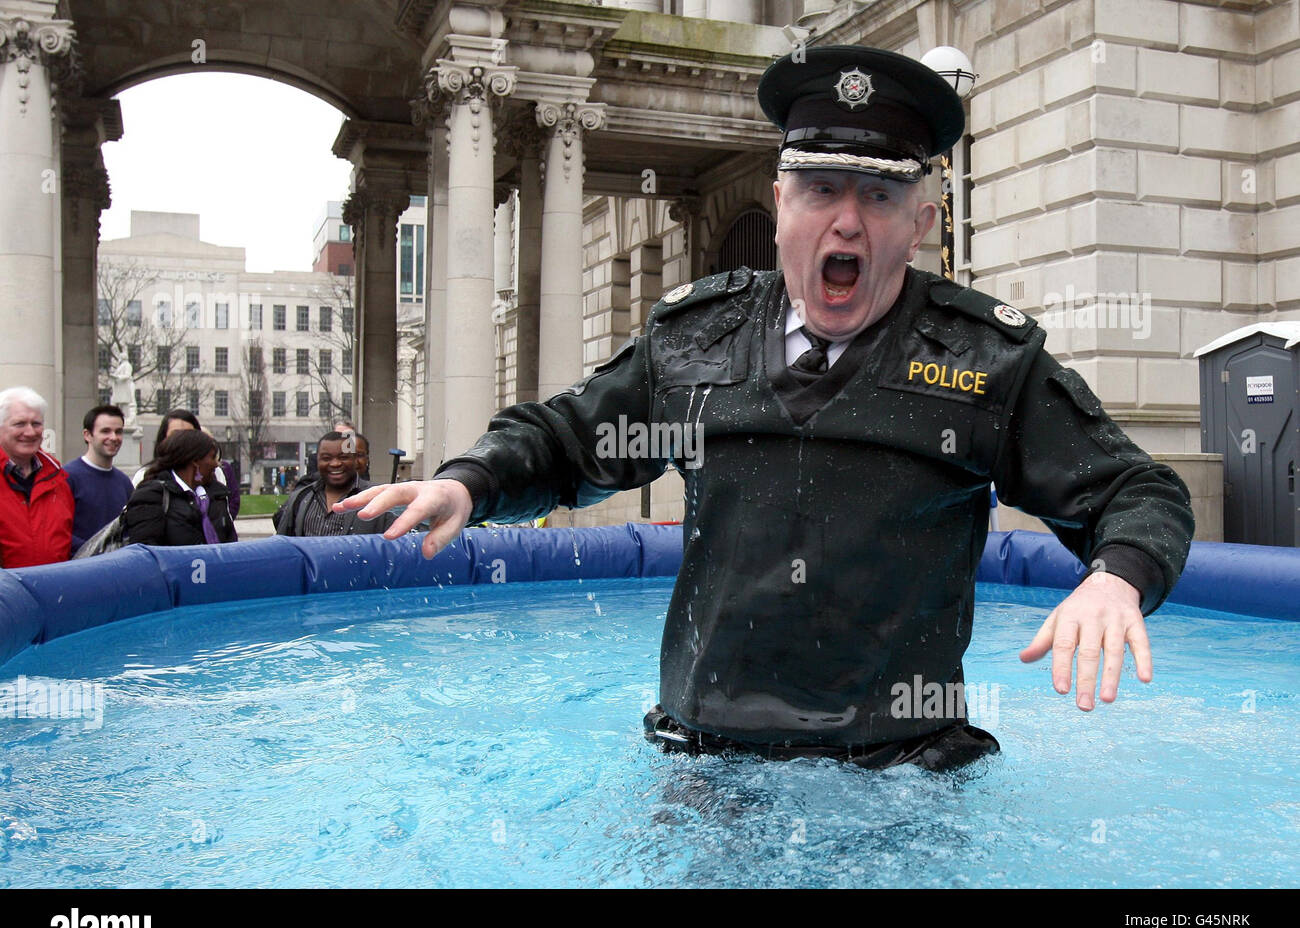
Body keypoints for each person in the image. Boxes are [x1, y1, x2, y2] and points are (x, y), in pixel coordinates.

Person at [338, 46, 1196, 772]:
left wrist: (1116, 578)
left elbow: (1138, 492)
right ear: (782, 203)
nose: (848, 224)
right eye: (821, 190)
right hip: (706, 766)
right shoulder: (692, 341)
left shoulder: (985, 362)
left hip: (898, 779)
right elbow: (567, 439)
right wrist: (469, 481)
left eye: (880, 197)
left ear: (923, 221)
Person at [0, 386, 74, 568]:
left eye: (36, 424)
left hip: (53, 591)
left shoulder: (59, 480)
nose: (30, 432)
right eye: (20, 424)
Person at [124, 429, 236, 547]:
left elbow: (231, 544)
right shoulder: (151, 497)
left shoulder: (218, 494)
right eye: (212, 457)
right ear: (195, 461)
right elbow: (145, 554)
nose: (217, 464)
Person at [273, 432, 396, 536]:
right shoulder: (300, 498)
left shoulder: (378, 498)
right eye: (326, 458)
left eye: (343, 457)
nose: (335, 463)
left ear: (355, 460)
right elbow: (284, 547)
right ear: (318, 461)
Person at [133, 409, 241, 523]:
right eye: (175, 435)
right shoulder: (145, 476)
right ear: (163, 440)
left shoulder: (216, 473)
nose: (183, 441)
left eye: (189, 435)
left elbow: (225, 521)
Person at [64, 405, 135, 553]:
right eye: (105, 431)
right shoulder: (67, 478)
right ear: (87, 435)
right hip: (79, 568)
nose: (114, 437)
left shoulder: (124, 483)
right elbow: (60, 531)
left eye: (118, 432)